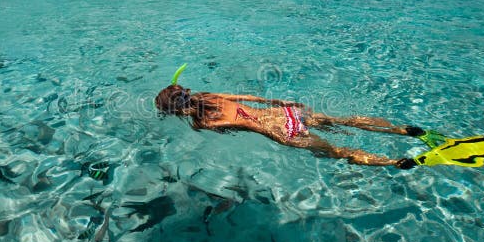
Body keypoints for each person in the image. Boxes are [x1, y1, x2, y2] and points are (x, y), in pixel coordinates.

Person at [154, 81, 422, 169]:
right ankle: (402, 130)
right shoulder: (210, 96)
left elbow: (248, 127)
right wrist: (280, 103)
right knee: (343, 122)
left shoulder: (201, 124)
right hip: (286, 113)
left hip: (283, 132)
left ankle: (393, 163)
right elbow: (250, 99)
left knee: (337, 151)